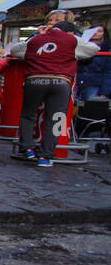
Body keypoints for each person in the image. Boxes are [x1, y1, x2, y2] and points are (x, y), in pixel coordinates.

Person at [9, 17, 99, 167]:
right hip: (60, 81)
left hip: (35, 79)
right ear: (70, 32)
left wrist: (38, 37)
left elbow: (16, 50)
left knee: (28, 114)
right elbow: (93, 49)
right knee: (56, 118)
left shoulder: (37, 39)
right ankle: (45, 156)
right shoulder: (72, 40)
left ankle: (28, 148)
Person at [76, 25, 109, 101]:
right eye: (93, 30)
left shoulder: (107, 49)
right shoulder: (79, 45)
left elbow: (108, 72)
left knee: (91, 108)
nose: (95, 33)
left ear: (104, 33)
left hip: (94, 85)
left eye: (99, 31)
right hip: (77, 83)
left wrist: (104, 92)